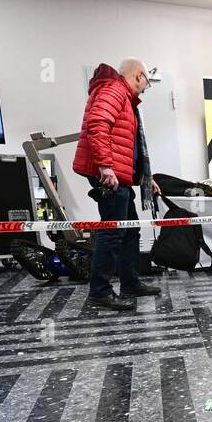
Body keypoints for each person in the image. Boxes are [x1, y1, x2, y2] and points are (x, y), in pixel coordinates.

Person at [72, 57, 161, 309]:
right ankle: (99, 291)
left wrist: (146, 179)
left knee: (130, 229)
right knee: (112, 232)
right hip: (109, 176)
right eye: (146, 82)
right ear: (138, 76)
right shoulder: (114, 90)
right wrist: (105, 166)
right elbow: (97, 124)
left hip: (121, 177)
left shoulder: (123, 97)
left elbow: (128, 147)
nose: (145, 88)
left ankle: (130, 282)